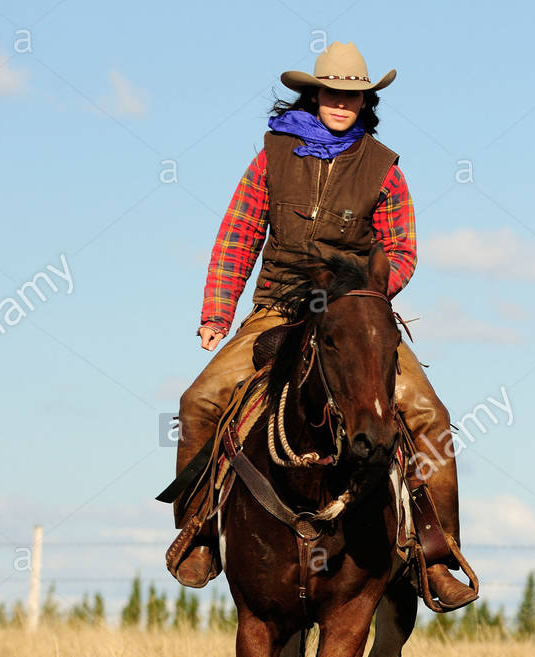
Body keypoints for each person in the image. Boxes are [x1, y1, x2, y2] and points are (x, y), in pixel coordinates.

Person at [170, 41, 478, 610]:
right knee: (199, 400)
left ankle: (436, 557)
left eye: (353, 95)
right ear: (314, 94)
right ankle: (198, 533)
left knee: (430, 417)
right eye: (333, 92)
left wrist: (362, 296)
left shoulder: (385, 169)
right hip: (278, 310)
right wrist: (217, 314)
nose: (342, 102)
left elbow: (402, 251)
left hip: (356, 316)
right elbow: (238, 237)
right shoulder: (271, 157)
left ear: (366, 100)